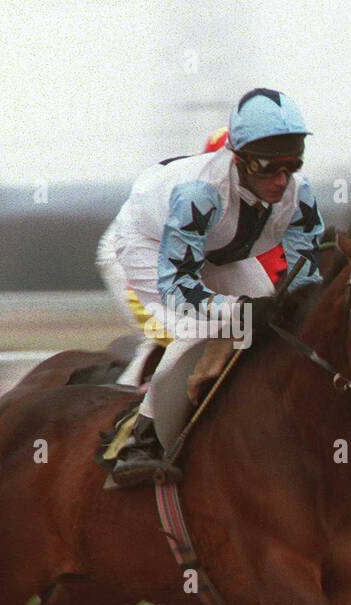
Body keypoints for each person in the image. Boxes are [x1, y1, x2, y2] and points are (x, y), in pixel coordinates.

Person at [107, 88, 324, 487]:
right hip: (149, 246)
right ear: (239, 159)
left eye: (291, 166)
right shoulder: (199, 193)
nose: (281, 181)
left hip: (219, 248)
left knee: (271, 320)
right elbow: (179, 288)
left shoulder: (299, 195)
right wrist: (235, 311)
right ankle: (140, 443)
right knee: (200, 328)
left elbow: (308, 281)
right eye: (268, 168)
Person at [97, 126, 289, 387]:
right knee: (179, 331)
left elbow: (268, 270)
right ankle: (131, 406)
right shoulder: (201, 195)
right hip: (130, 258)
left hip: (185, 255)